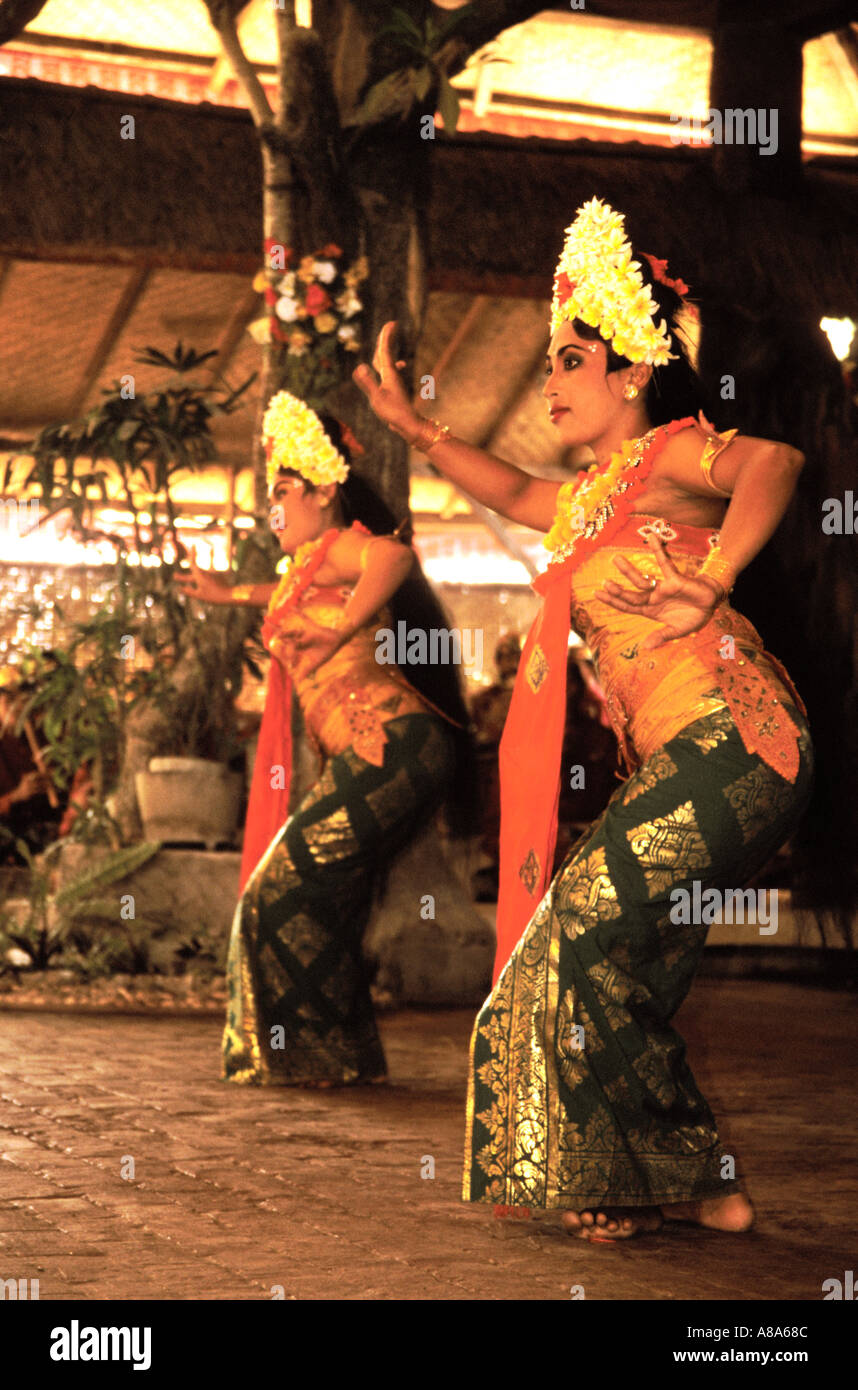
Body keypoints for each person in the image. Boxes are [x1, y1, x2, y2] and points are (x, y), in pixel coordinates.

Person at [353, 196, 813, 1239]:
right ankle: (698, 1173)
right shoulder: (592, 495)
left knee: (588, 929)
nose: (550, 381)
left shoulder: (676, 453)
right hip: (681, 756)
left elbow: (776, 464)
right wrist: (417, 431)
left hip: (738, 737)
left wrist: (719, 576)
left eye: (567, 359)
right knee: (595, 947)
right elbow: (514, 486)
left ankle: (627, 1174)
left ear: (632, 371)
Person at [175, 392, 469, 1087]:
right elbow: (280, 598)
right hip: (376, 752)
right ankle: (338, 1058)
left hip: (392, 743)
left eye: (281, 491)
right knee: (317, 896)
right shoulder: (305, 566)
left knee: (278, 891)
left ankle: (308, 1054)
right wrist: (228, 594)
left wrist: (340, 632)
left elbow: (393, 559)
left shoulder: (343, 547)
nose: (269, 508)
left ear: (325, 489)